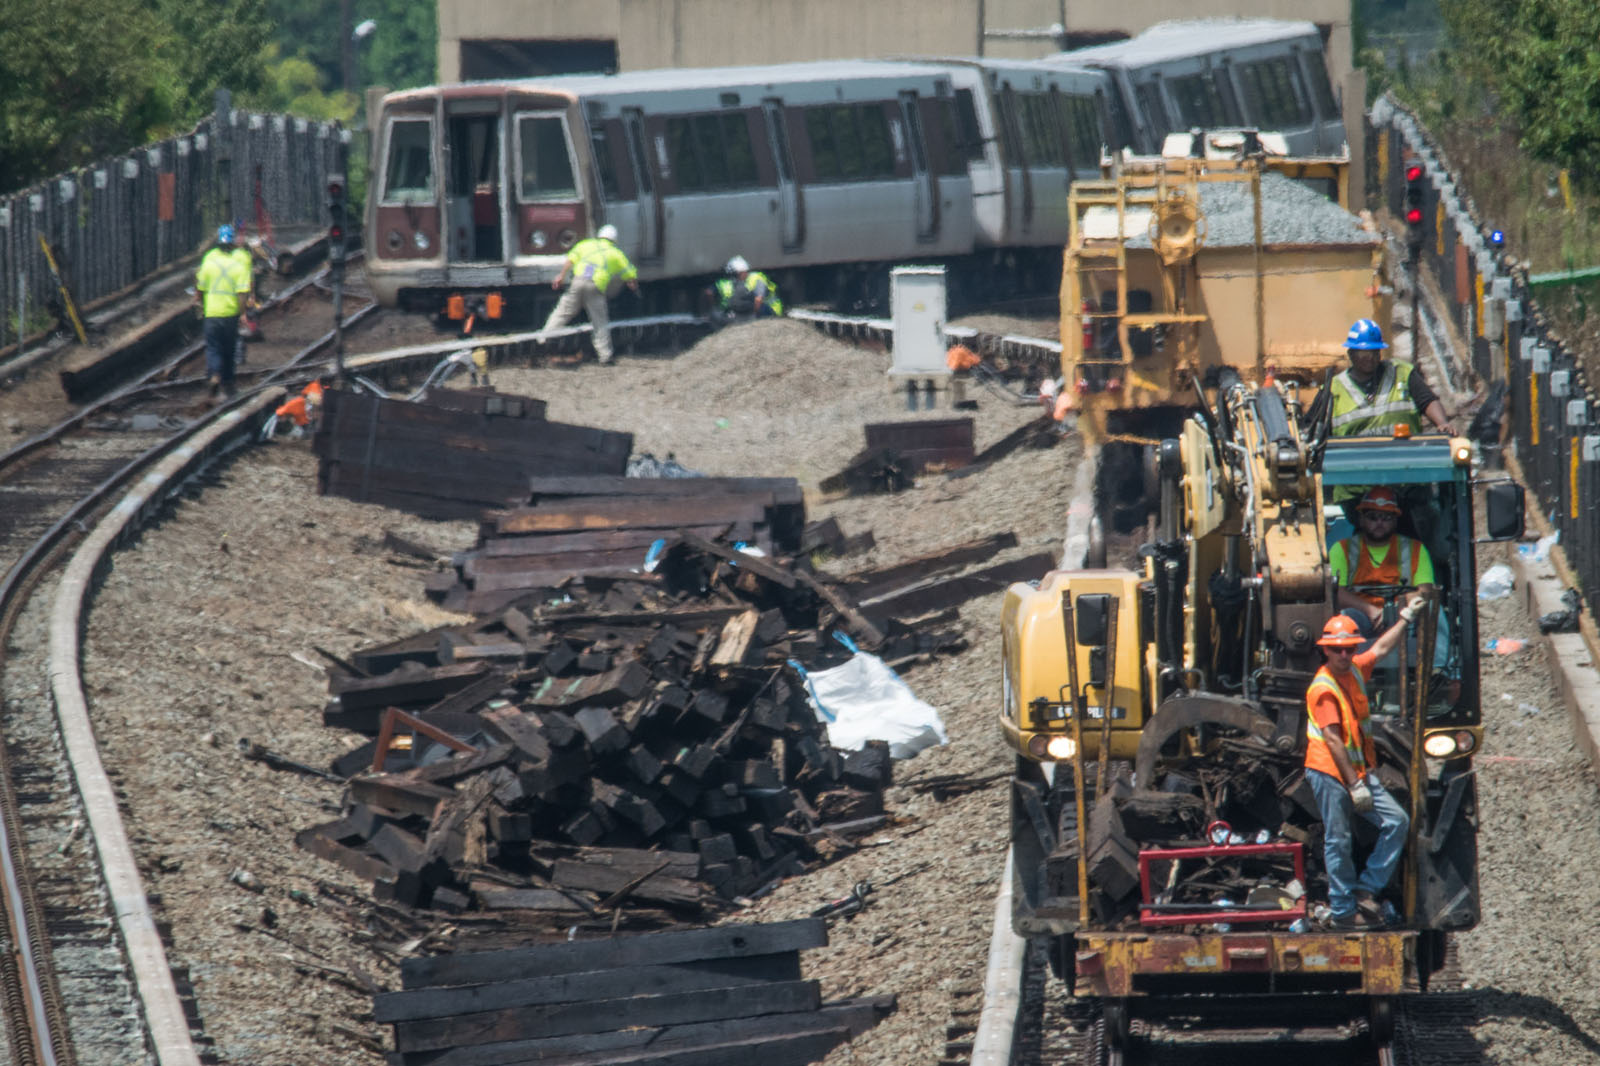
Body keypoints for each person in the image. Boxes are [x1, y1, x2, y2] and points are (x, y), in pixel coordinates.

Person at [1305, 605, 1424, 930]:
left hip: (1356, 772)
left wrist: (1405, 619)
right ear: (1325, 650)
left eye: (1349, 648)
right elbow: (1332, 741)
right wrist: (1355, 786)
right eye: (1336, 650)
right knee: (1338, 839)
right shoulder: (1324, 689)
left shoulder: (1355, 669)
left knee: (1396, 821)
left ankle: (1366, 889)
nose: (1344, 654)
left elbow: (1382, 648)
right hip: (1329, 772)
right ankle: (1343, 912)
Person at [1330, 318, 1457, 438]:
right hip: (1352, 458)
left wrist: (1442, 423)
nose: (1370, 358)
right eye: (1364, 353)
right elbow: (1312, 426)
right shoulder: (1334, 389)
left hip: (1403, 455)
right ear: (1351, 354)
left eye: (1374, 352)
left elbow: (1427, 401)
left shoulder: (1402, 373)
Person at [539, 224, 638, 364]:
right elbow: (630, 272)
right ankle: (605, 356)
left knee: (562, 312)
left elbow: (571, 259)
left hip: (577, 282)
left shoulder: (585, 244)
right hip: (595, 287)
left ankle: (541, 339)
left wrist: (561, 276)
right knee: (599, 322)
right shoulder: (615, 253)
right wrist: (632, 283)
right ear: (614, 240)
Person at [194, 224, 252, 399]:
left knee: (213, 348)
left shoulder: (208, 261)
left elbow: (200, 287)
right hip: (230, 314)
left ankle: (214, 375)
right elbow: (242, 293)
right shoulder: (238, 264)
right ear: (232, 243)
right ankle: (228, 382)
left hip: (212, 313)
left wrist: (199, 304)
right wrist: (242, 313)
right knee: (229, 350)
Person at [715, 255, 783, 319]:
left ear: (742, 272)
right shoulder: (739, 282)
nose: (734, 277)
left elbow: (758, 300)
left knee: (758, 307)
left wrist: (750, 317)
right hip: (756, 308)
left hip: (771, 309)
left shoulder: (756, 278)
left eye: (735, 274)